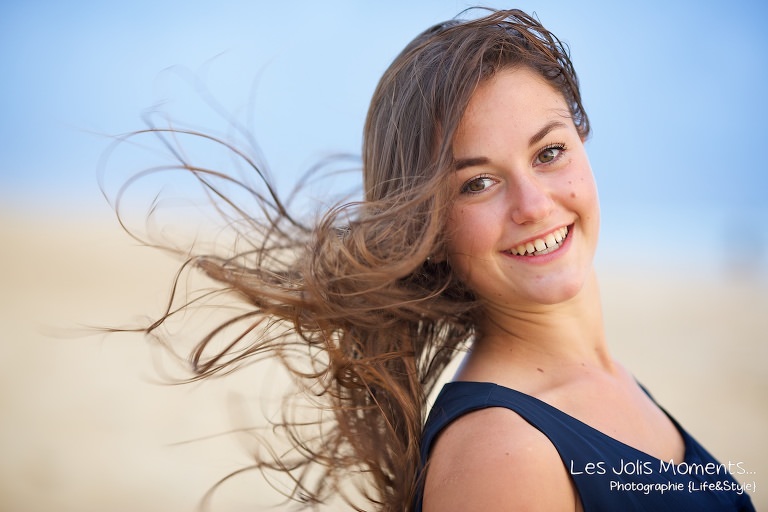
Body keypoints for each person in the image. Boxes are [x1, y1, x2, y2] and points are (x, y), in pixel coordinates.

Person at [112, 8, 755, 512]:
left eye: (549, 152)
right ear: (430, 227)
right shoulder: (501, 453)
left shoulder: (609, 382)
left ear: (582, 140)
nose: (533, 204)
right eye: (476, 183)